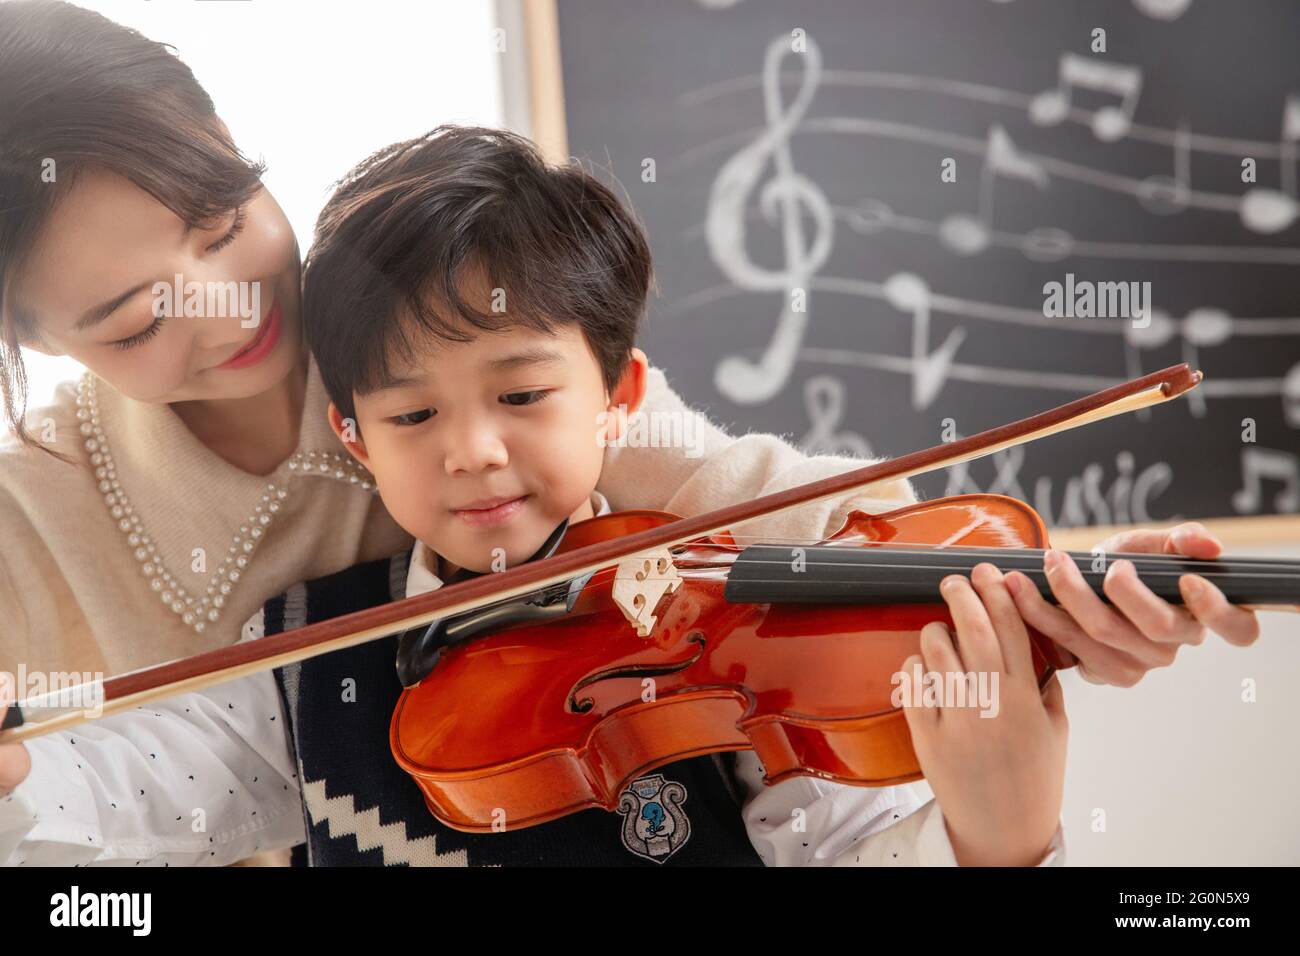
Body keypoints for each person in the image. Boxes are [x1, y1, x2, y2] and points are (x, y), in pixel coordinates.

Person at [0, 1, 1259, 867]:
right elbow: (126, 791)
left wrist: (1042, 625)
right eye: (134, 315)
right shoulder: (290, 668)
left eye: (223, 224)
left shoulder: (427, 311)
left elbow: (779, 508)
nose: (476, 450)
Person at [247, 124, 1066, 866]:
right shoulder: (300, 659)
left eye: (524, 396)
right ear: (355, 436)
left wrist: (997, 841)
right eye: (414, 414)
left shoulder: (724, 642)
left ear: (619, 400)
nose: (473, 452)